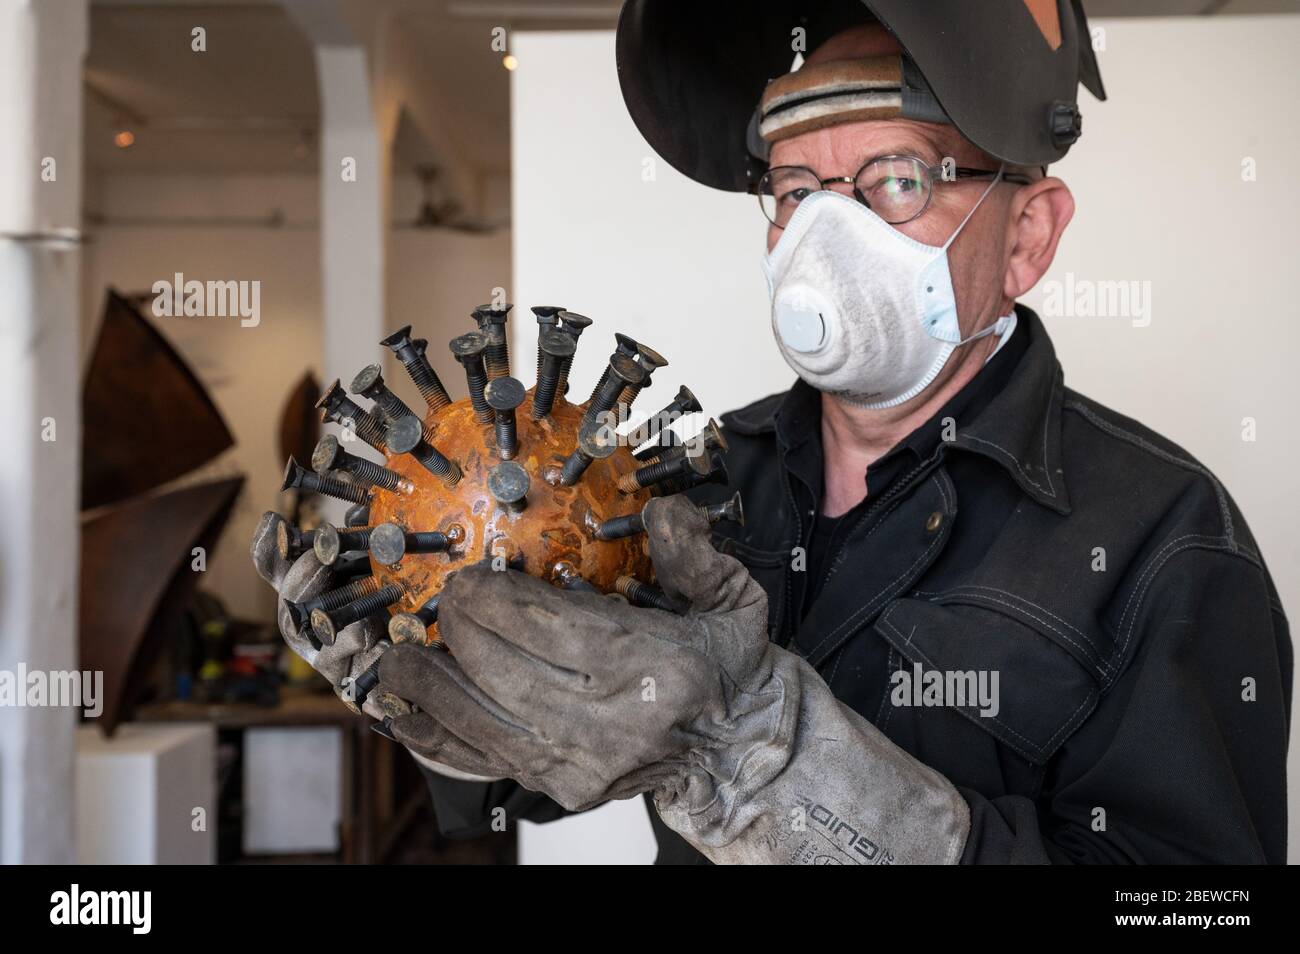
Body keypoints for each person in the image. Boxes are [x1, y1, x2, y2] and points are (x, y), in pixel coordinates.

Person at [253, 0, 1290, 864]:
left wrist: (768, 762)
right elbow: (535, 781)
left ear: (1026, 234)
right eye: (795, 188)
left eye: (895, 178)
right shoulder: (691, 487)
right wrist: (420, 663)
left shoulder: (1163, 539)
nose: (822, 235)